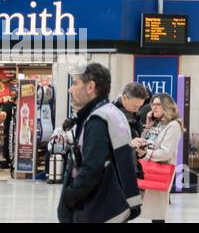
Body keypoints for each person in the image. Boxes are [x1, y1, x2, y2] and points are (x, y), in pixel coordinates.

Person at [58, 63, 142, 223]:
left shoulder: (97, 120)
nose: (70, 89)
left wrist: (69, 197)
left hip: (97, 211)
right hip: (114, 206)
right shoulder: (112, 113)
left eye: (75, 83)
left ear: (90, 87)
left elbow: (92, 169)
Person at [133, 94, 182, 223]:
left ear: (167, 106)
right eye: (153, 104)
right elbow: (144, 141)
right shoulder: (156, 123)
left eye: (157, 104)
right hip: (147, 170)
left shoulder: (174, 126)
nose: (154, 108)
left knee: (158, 215)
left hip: (160, 170)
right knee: (153, 212)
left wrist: (145, 154)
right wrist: (148, 127)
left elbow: (166, 153)